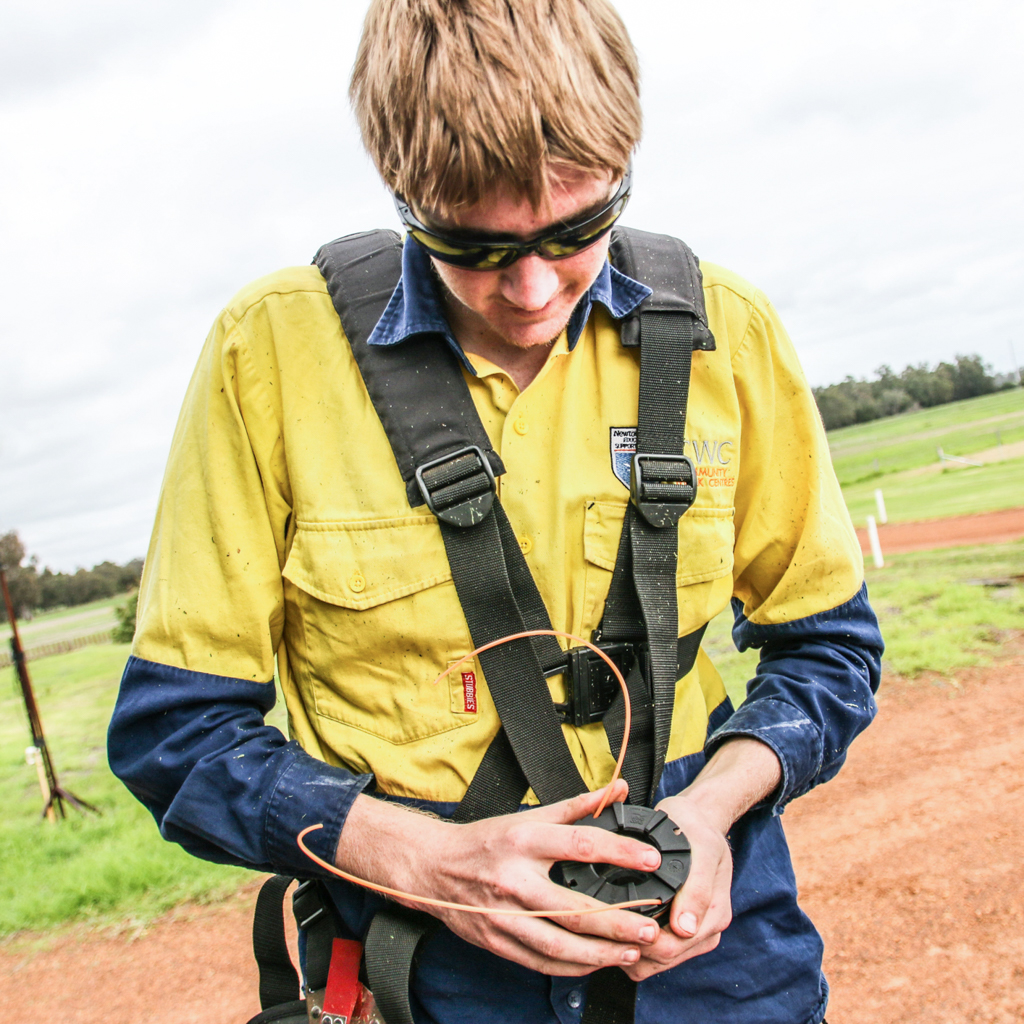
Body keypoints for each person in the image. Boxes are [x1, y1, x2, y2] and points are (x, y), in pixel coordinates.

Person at [108, 2, 883, 1022]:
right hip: (423, 969)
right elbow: (178, 733)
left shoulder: (721, 335)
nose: (527, 288)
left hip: (715, 966)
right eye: (469, 245)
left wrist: (706, 811)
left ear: (621, 167)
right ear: (402, 192)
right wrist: (434, 861)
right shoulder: (269, 357)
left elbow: (826, 648)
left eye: (575, 232)